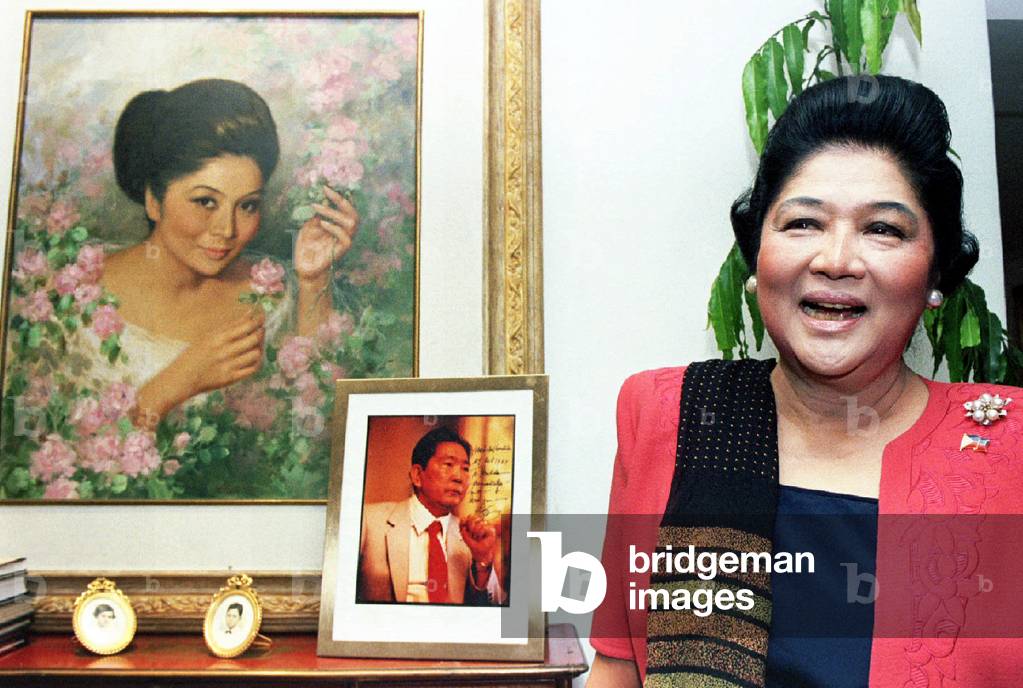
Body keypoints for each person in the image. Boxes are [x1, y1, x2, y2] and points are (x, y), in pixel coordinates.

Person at [587, 75, 1023, 688]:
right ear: (757, 255)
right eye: (802, 224)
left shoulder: (1013, 449)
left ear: (936, 276)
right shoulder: (665, 414)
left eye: (884, 229)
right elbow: (619, 668)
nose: (836, 260)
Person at [84, 78, 358, 428]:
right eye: (205, 202)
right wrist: (176, 382)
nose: (226, 230)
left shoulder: (270, 293)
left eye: (247, 206)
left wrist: (313, 279)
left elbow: (320, 425)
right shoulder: (77, 300)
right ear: (154, 199)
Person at [357, 426, 505, 605]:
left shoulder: (470, 536)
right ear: (418, 475)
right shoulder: (369, 520)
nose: (459, 477)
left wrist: (482, 560)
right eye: (448, 465)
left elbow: (497, 608)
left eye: (465, 468)